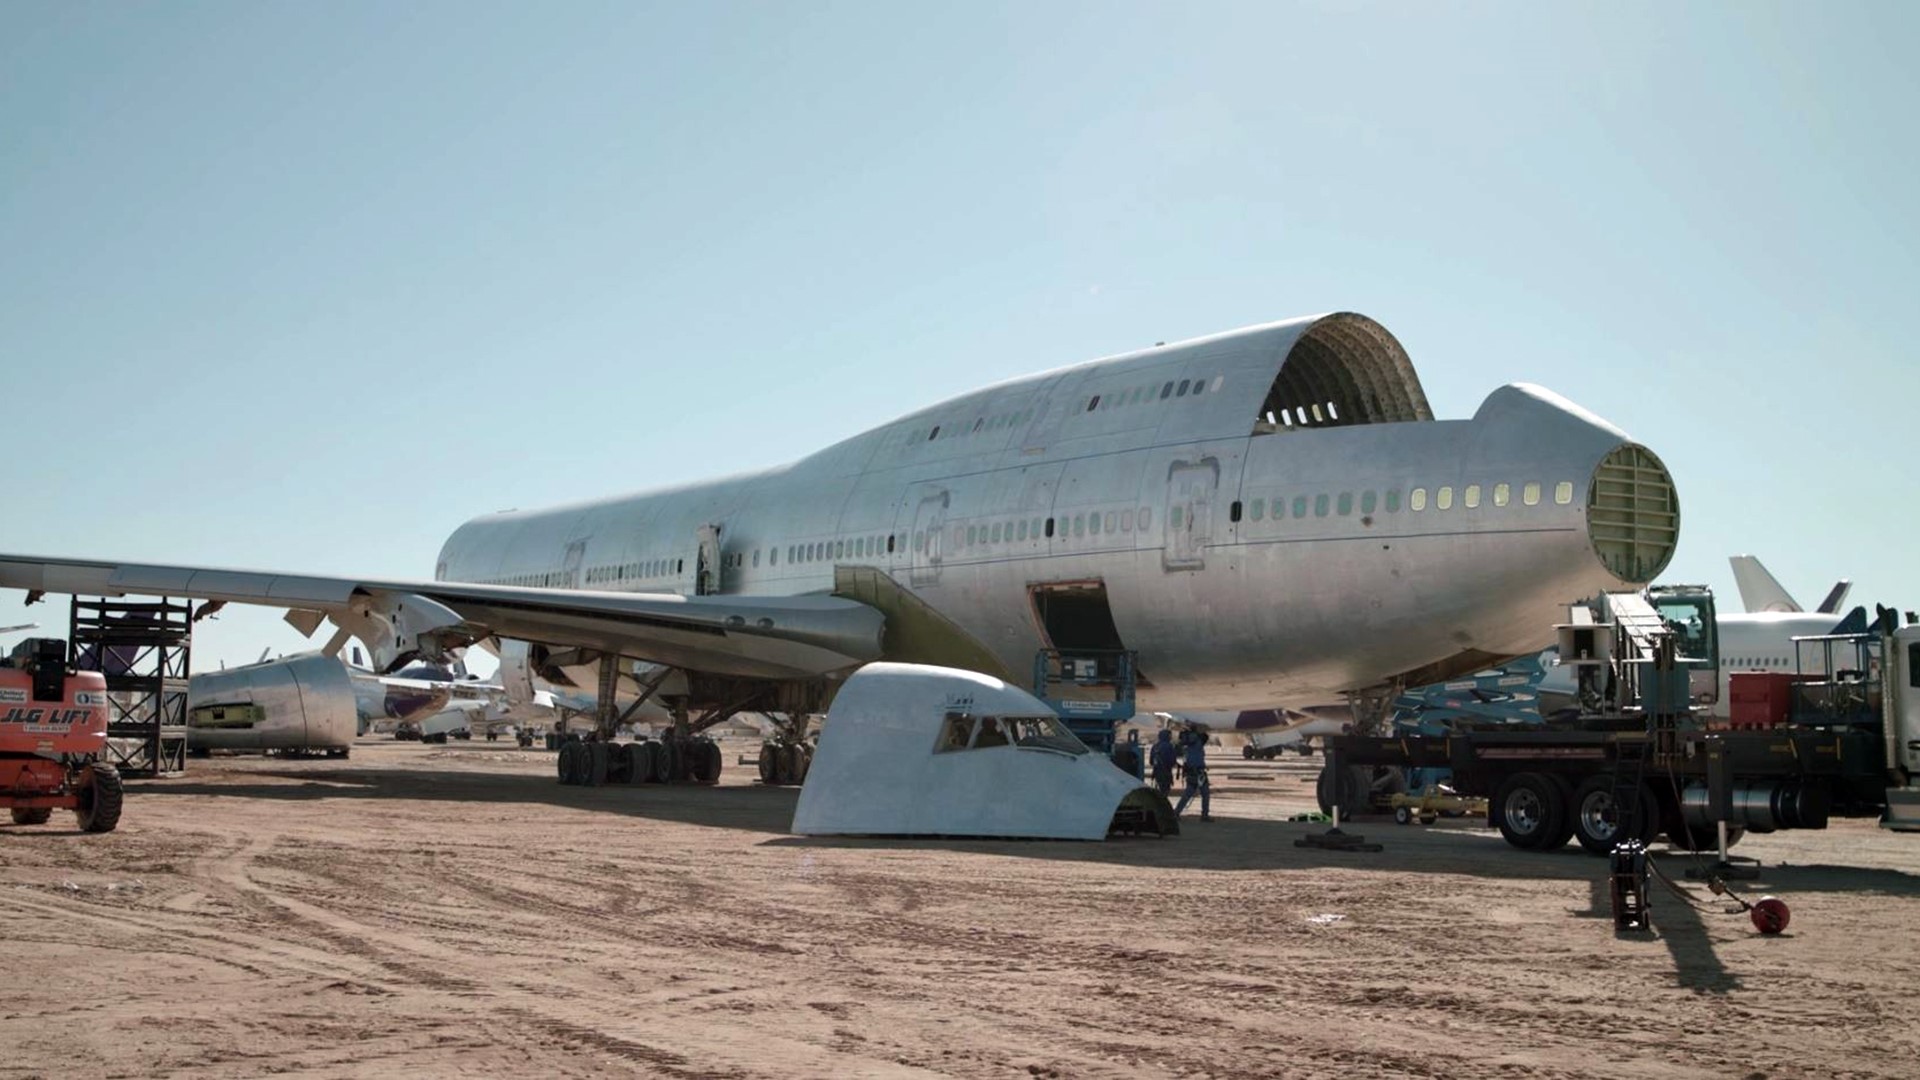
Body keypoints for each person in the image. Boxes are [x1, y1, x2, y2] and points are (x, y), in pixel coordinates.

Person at [1174, 726, 1212, 821]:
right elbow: (1205, 736)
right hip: (1199, 772)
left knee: (1188, 793)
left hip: (1191, 771)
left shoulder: (1186, 744)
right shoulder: (1198, 742)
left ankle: (1176, 812)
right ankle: (1204, 815)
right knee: (1205, 794)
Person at [1148, 729, 1177, 796]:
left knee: (1159, 790)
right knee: (1165, 791)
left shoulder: (1155, 746)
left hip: (1157, 772)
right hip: (1166, 772)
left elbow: (1151, 761)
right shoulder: (1169, 746)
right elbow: (1172, 761)